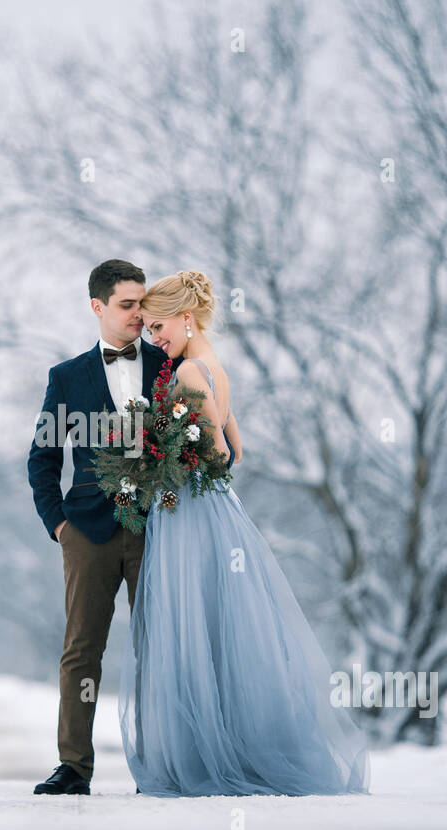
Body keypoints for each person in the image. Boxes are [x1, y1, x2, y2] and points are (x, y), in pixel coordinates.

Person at [120, 270, 371, 797]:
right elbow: (237, 451)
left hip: (190, 510)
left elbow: (213, 453)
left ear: (186, 319)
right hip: (213, 507)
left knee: (193, 624)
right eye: (148, 331)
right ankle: (226, 744)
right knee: (219, 624)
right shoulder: (213, 368)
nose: (153, 338)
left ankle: (206, 758)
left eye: (159, 327)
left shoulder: (188, 371)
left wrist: (157, 454)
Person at [26, 259, 172, 795]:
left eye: (143, 305)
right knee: (82, 649)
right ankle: (74, 767)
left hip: (159, 527)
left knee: (161, 645)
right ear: (98, 306)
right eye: (127, 305)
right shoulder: (65, 378)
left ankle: (162, 763)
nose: (139, 315)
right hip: (86, 531)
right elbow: (42, 458)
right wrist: (59, 526)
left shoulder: (168, 366)